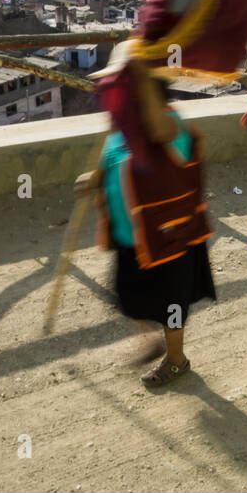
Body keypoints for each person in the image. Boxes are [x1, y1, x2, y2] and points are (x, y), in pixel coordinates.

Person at [77, 43, 216, 387]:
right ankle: (152, 340)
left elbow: (158, 132)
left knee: (171, 306)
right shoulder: (120, 132)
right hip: (133, 240)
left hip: (169, 239)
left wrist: (139, 73)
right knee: (128, 296)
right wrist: (94, 179)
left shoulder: (171, 126)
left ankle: (176, 360)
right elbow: (110, 165)